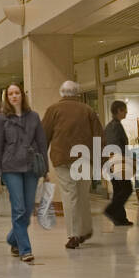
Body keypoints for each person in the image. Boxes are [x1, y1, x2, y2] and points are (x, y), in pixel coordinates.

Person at [42, 81, 105, 249]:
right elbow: (99, 136)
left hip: (61, 158)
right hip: (85, 158)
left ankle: (73, 235)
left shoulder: (53, 110)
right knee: (83, 193)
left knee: (70, 194)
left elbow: (44, 137)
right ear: (77, 93)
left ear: (62, 93)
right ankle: (85, 229)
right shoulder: (88, 110)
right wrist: (102, 162)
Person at [0, 81, 47, 263]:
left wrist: (45, 168)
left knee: (28, 210)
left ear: (22, 95)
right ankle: (25, 249)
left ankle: (12, 239)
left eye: (17, 93)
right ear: (7, 98)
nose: (14, 96)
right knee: (19, 208)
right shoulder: (1, 119)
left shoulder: (34, 117)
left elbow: (42, 144)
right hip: (10, 167)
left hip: (31, 167)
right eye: (10, 94)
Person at [103, 100, 135, 227]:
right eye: (124, 110)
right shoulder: (115, 126)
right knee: (127, 188)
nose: (126, 112)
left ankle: (120, 218)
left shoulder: (110, 126)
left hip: (110, 163)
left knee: (118, 190)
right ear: (118, 111)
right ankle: (110, 210)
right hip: (117, 162)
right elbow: (115, 145)